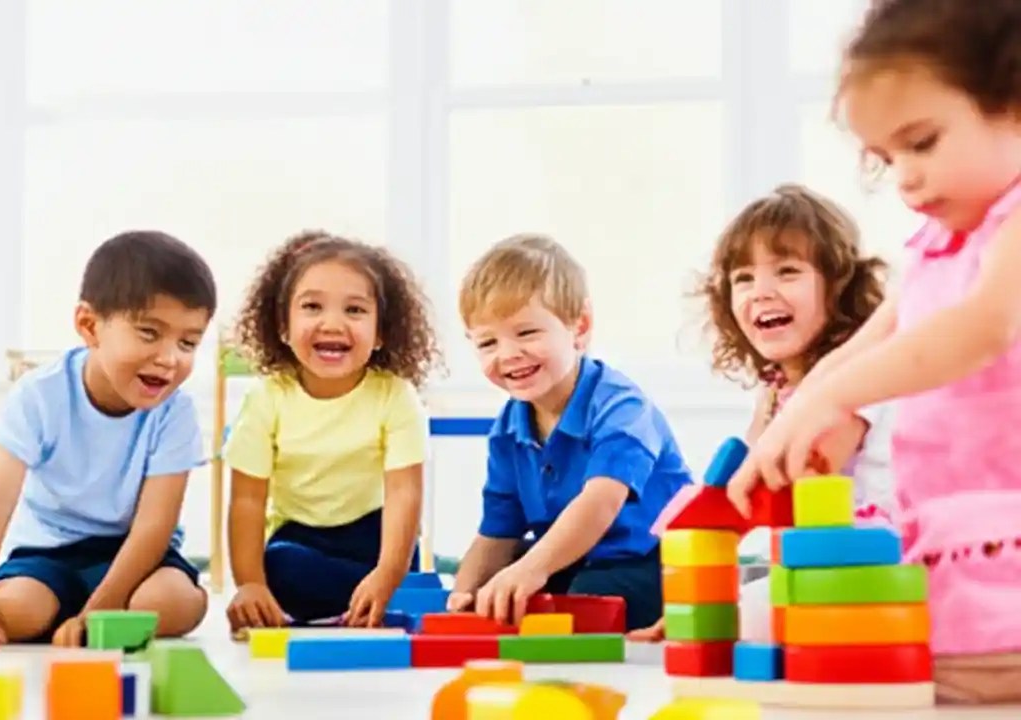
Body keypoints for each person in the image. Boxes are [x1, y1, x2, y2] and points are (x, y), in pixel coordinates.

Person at [727, 0, 1021, 703]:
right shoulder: (934, 247)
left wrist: (830, 398)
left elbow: (986, 325)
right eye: (889, 158)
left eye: (922, 143)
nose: (906, 178)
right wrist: (788, 427)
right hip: (953, 537)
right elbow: (864, 348)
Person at [627, 183, 891, 642]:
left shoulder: (854, 375)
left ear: (839, 286)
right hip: (818, 563)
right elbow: (738, 494)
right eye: (743, 279)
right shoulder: (775, 391)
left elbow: (801, 490)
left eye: (787, 271)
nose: (761, 291)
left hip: (876, 561)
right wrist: (701, 600)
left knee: (756, 615)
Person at [0, 231, 214, 647]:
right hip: (50, 554)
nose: (169, 358)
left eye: (188, 342)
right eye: (149, 333)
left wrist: (101, 609)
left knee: (174, 602)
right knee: (12, 613)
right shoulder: (40, 395)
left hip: (139, 560)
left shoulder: (176, 411)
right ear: (89, 326)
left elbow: (153, 527)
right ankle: (61, 610)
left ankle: (84, 615)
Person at [447, 234, 692, 631]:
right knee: (503, 586)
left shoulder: (621, 406)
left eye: (526, 333)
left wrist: (530, 569)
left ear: (580, 326)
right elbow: (495, 533)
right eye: (487, 342)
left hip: (657, 560)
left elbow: (600, 503)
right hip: (574, 560)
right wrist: (463, 594)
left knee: (579, 594)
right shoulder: (509, 430)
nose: (507, 354)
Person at [224, 230, 440, 631]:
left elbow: (403, 493)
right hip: (302, 540)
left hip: (377, 539)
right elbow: (247, 501)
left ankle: (381, 595)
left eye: (355, 310)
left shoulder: (396, 395)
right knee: (281, 565)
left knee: (400, 577)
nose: (332, 323)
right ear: (283, 326)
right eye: (312, 306)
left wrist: (387, 574)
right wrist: (250, 584)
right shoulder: (267, 399)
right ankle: (364, 602)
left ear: (382, 332)